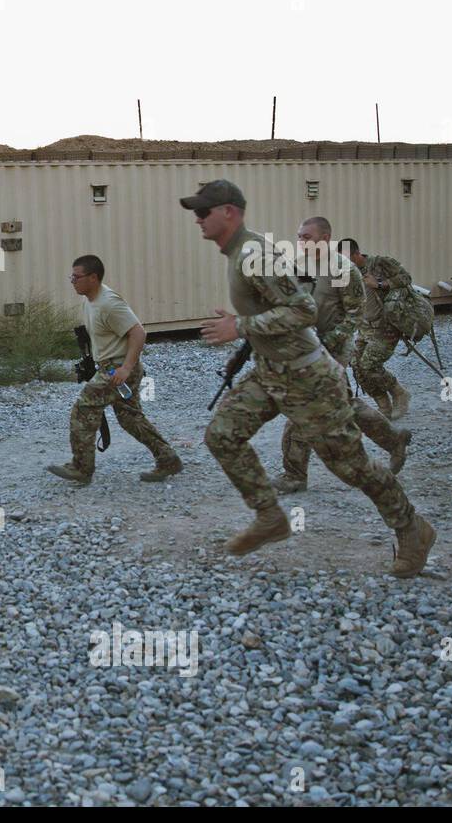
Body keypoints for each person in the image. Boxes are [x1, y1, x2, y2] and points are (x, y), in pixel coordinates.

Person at [183, 181, 434, 578]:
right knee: (222, 434)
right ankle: (269, 517)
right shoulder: (238, 254)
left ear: (229, 212)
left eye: (204, 211)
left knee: (350, 467)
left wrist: (241, 326)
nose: (197, 218)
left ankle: (412, 528)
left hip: (308, 376)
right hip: (271, 372)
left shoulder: (254, 254)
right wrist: (249, 339)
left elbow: (302, 311)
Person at [272, 218, 410, 494]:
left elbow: (354, 315)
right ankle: (394, 440)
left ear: (325, 238)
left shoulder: (344, 269)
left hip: (332, 350)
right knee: (342, 403)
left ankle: (294, 474)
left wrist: (328, 341)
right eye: (299, 236)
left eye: (307, 237)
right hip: (307, 347)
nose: (301, 241)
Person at [47, 254, 182, 485]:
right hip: (109, 367)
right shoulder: (90, 300)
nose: (72, 281)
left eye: (77, 277)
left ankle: (81, 468)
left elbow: (138, 333)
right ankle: (168, 459)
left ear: (93, 277)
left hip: (116, 370)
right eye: (72, 276)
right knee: (130, 418)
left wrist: (127, 368)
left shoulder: (110, 303)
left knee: (83, 409)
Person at [336, 238, 414, 419]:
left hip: (385, 327)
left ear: (356, 254)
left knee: (369, 365)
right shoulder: (345, 272)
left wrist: (380, 285)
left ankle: (399, 393)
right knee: (357, 367)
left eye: (346, 259)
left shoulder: (379, 264)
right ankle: (383, 405)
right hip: (364, 328)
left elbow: (406, 278)